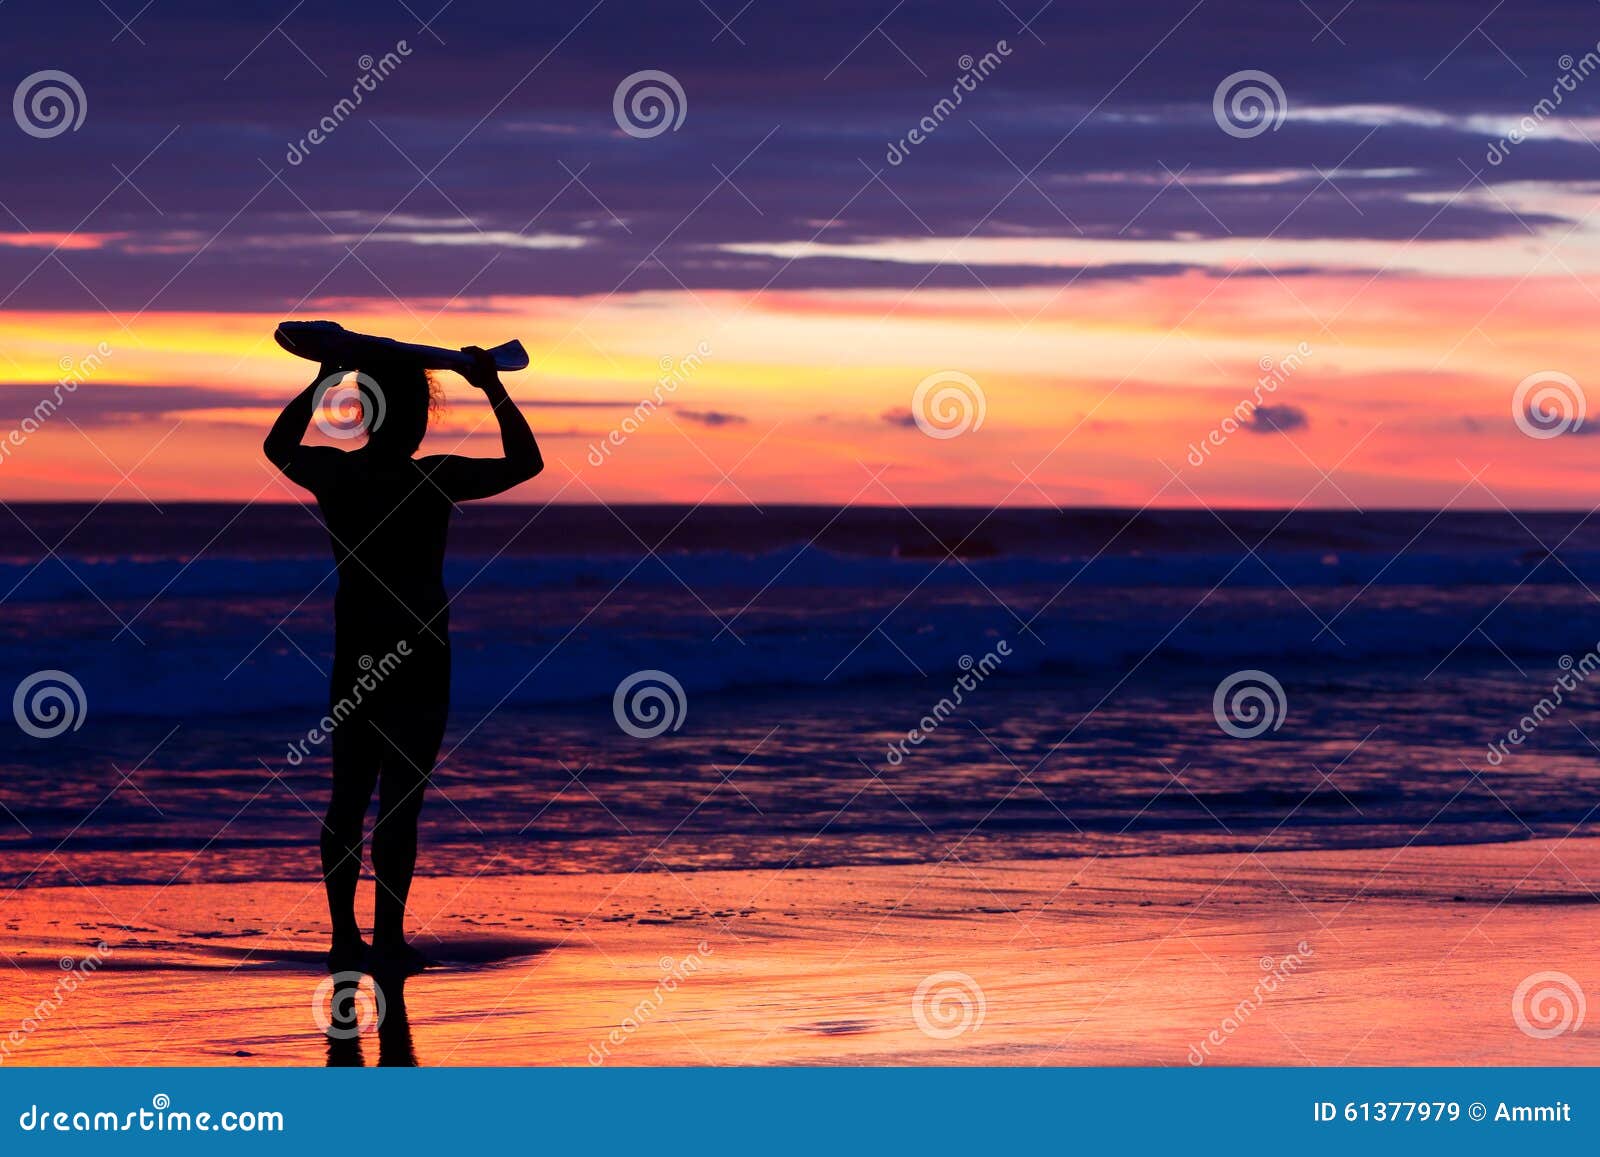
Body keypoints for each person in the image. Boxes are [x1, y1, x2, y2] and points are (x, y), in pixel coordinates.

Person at [264, 345, 543, 976]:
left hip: (360, 653)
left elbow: (277, 447)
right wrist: (491, 386)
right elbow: (526, 462)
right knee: (399, 801)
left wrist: (323, 376)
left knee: (348, 797)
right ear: (415, 420)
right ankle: (386, 939)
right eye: (416, 412)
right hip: (420, 656)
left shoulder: (337, 474)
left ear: (362, 412)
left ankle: (346, 939)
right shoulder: (433, 478)